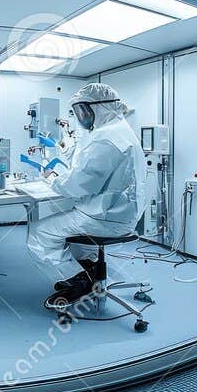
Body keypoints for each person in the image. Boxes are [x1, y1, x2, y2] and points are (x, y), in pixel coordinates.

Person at [27, 83, 141, 308]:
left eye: (83, 111)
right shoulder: (119, 130)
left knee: (39, 233)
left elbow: (78, 185)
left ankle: (80, 281)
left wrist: (51, 178)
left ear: (100, 108)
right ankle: (88, 272)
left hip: (103, 216)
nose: (81, 117)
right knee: (74, 235)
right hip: (118, 213)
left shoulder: (106, 138)